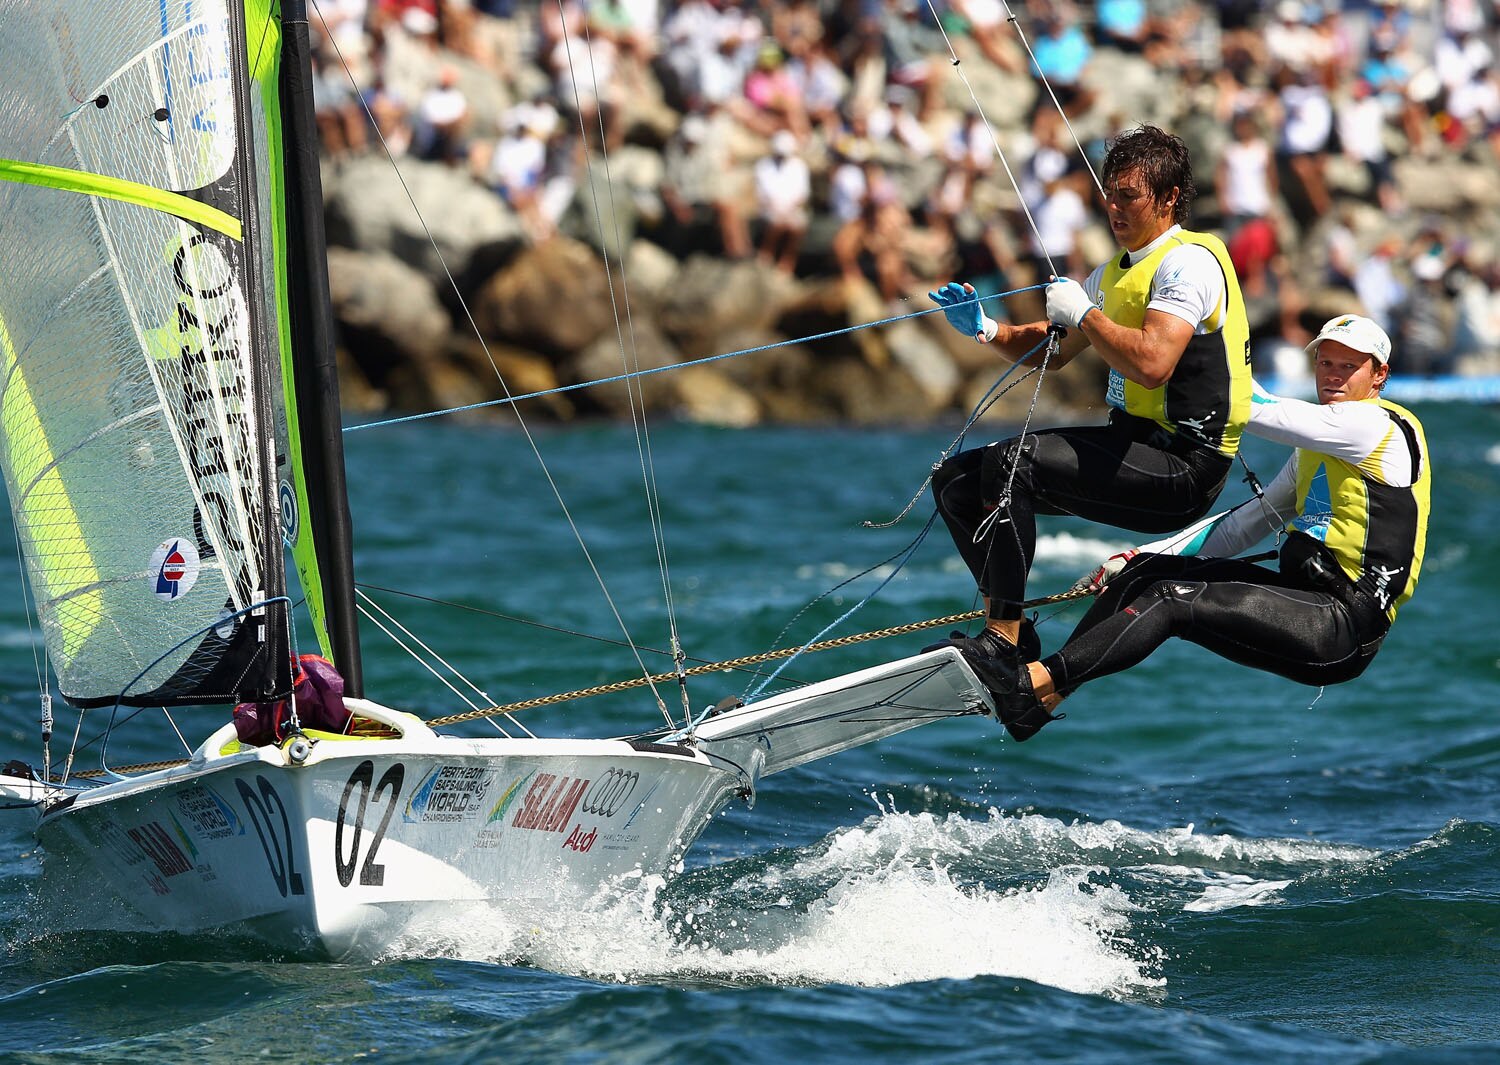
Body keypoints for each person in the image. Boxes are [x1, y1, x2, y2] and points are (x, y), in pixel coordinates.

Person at [925, 125, 1252, 714]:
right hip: (1130, 448)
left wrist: (1087, 314)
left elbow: (1152, 363)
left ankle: (1001, 642)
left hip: (1184, 467)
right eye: (1109, 193)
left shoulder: (1189, 265)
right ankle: (1017, 637)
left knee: (1011, 462)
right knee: (955, 482)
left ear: (1169, 198)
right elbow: (1053, 349)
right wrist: (985, 327)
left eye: (1128, 194)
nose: (1113, 207)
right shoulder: (1112, 274)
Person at [991, 314, 1429, 742]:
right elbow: (1247, 523)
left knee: (1170, 600)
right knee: (1150, 573)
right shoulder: (1315, 449)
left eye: (1349, 367)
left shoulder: (1375, 426)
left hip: (1343, 624)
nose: (1333, 377)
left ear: (1379, 376)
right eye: (1325, 363)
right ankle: (1035, 703)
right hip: (1308, 601)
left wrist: (1180, 344)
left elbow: (1255, 409)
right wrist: (1144, 555)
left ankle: (1030, 681)